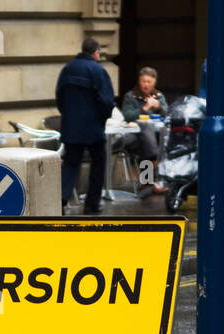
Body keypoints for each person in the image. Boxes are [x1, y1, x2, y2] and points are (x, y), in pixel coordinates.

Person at [55, 37, 115, 214]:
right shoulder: (98, 70)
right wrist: (103, 118)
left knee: (71, 164)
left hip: (71, 127)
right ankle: (92, 204)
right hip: (93, 128)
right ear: (96, 52)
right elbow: (107, 100)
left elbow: (60, 97)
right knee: (98, 164)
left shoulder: (67, 69)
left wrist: (68, 116)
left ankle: (61, 200)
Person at [120, 66, 169, 195]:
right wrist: (145, 108)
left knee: (149, 143)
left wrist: (158, 106)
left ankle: (147, 183)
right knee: (147, 137)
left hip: (154, 137)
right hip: (132, 136)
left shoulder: (159, 96)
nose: (146, 84)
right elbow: (128, 116)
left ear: (154, 83)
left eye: (149, 82)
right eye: (143, 81)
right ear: (139, 81)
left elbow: (168, 114)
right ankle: (155, 179)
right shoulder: (131, 96)